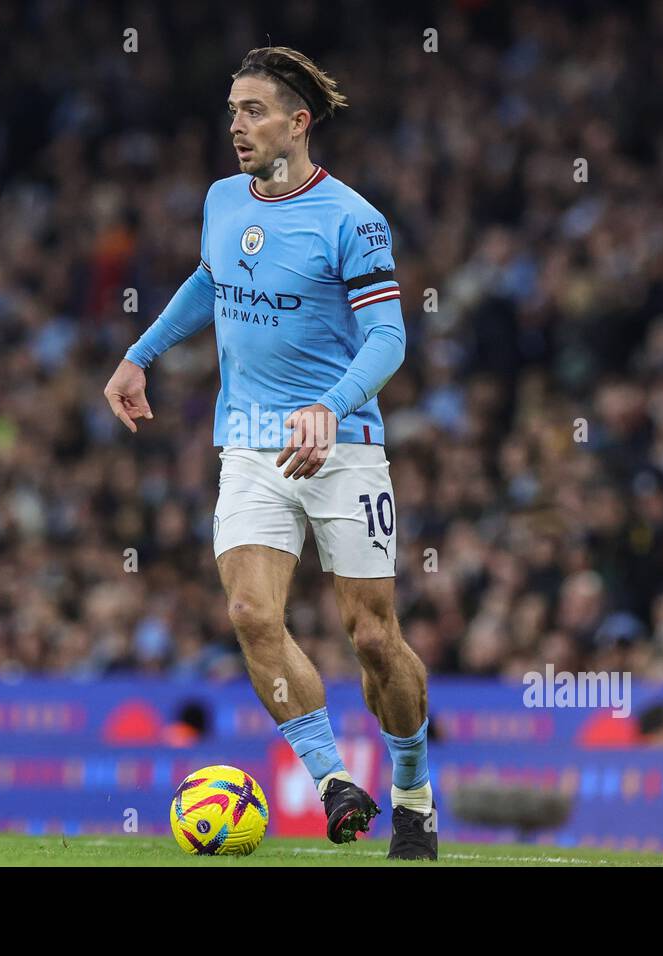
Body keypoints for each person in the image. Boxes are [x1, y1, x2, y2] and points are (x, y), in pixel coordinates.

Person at [103, 46, 434, 859]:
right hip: (249, 444)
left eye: (252, 111)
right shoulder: (221, 199)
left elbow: (389, 336)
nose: (237, 127)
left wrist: (330, 407)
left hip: (343, 445)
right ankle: (332, 782)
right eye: (231, 111)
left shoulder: (352, 219)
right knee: (251, 613)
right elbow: (210, 283)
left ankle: (413, 792)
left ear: (298, 122)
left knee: (370, 635)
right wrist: (139, 353)